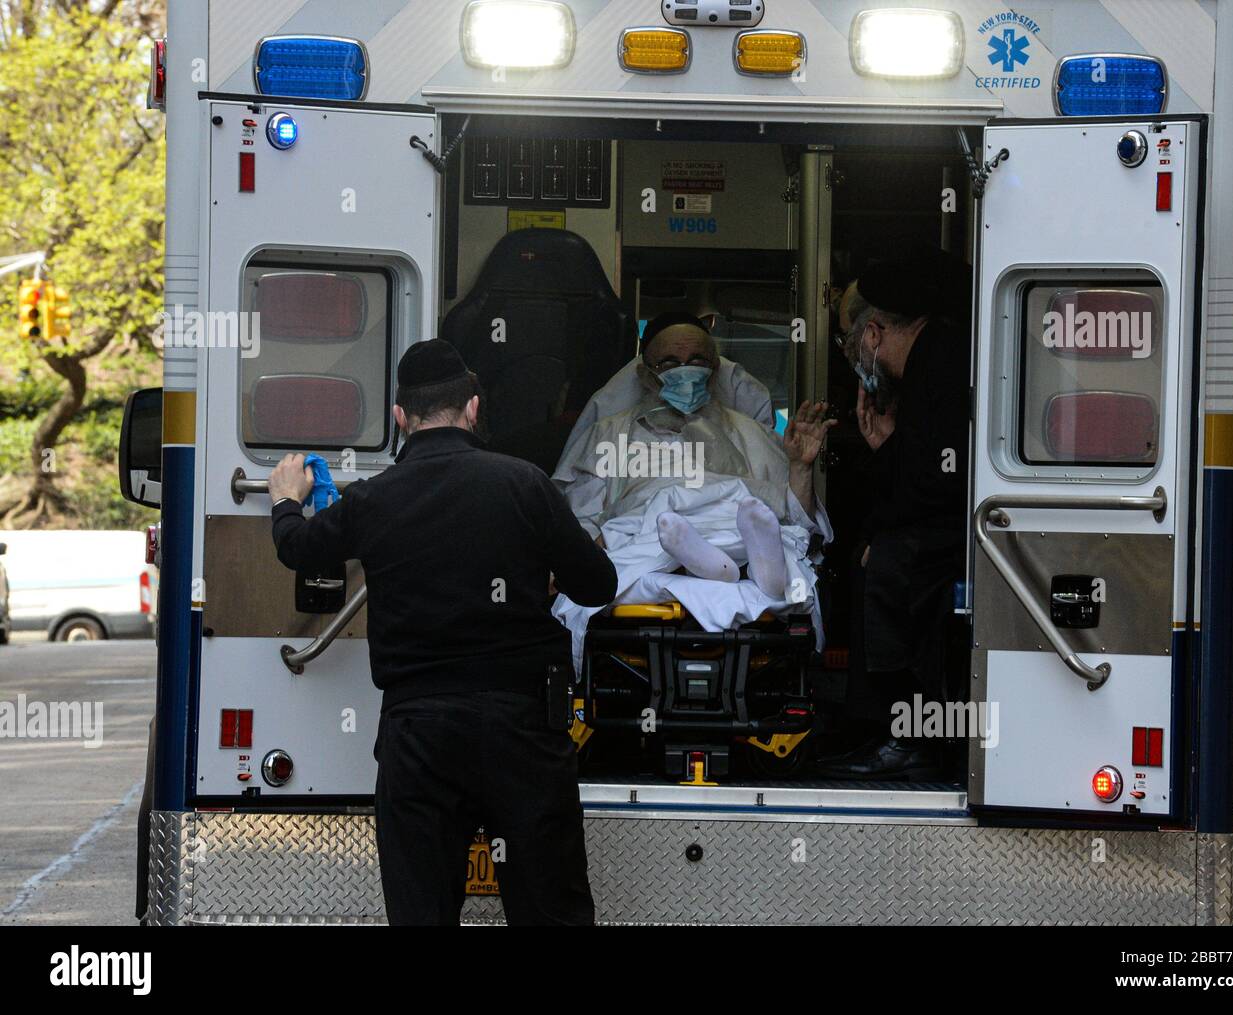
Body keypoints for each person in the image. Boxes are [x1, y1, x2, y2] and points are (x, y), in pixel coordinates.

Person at [267, 339, 618, 925]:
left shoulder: (374, 499)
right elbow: (599, 585)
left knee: (422, 912)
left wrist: (284, 501)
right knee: (551, 909)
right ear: (474, 408)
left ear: (401, 418)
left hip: (419, 738)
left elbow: (299, 549)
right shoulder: (525, 485)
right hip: (523, 733)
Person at [549, 313, 835, 661]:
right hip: (649, 533)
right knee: (631, 542)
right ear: (645, 373)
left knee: (770, 533)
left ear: (715, 370)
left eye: (697, 361)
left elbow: (799, 524)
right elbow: (583, 519)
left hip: (734, 525)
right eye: (670, 362)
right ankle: (750, 574)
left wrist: (800, 467)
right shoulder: (610, 434)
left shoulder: (750, 433)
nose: (685, 370)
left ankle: (746, 567)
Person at [822, 253, 971, 779]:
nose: (851, 356)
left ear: (874, 334)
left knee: (881, 562)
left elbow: (942, 480)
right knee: (866, 551)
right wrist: (885, 449)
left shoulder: (943, 360)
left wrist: (880, 532)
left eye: (849, 342)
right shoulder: (931, 361)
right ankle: (880, 726)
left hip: (961, 532)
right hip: (945, 522)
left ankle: (908, 735)